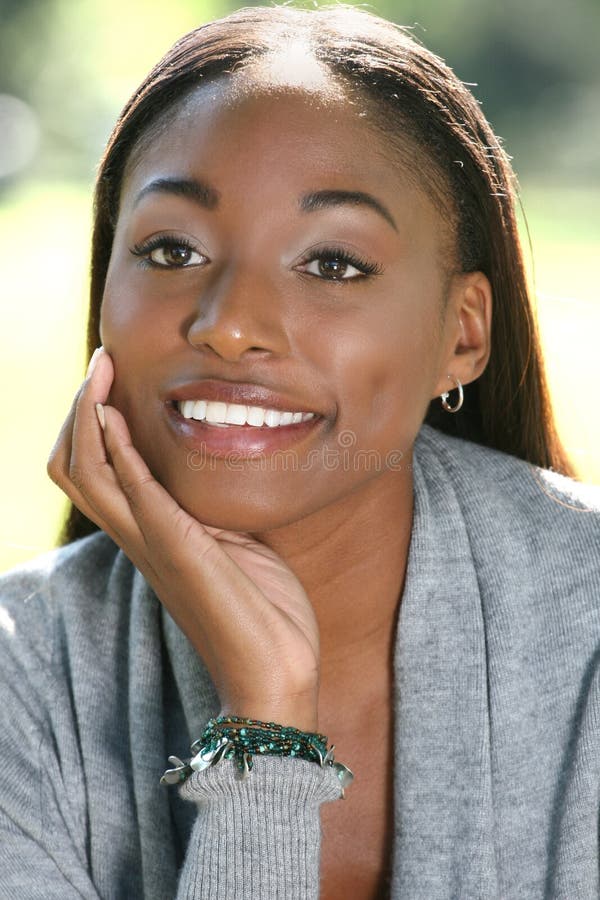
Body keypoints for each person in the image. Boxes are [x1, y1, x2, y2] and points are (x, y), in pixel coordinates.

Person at [1, 4, 599, 898]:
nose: (231, 325)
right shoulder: (23, 679)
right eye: (171, 248)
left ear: (463, 335)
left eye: (332, 265)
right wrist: (266, 730)